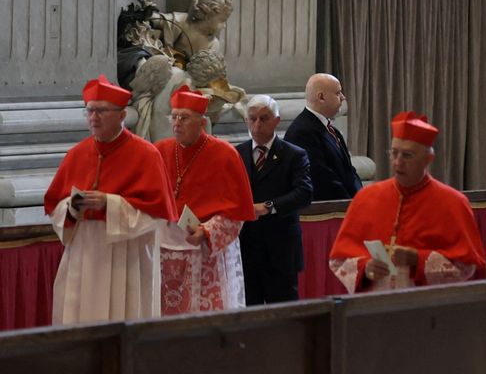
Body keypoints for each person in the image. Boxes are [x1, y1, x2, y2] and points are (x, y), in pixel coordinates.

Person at [43, 78, 175, 323]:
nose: (93, 117)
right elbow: (55, 206)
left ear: (122, 114)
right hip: (84, 249)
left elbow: (156, 213)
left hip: (126, 253)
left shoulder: (146, 155)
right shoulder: (77, 154)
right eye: (90, 110)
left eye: (101, 111)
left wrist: (110, 204)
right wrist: (71, 209)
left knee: (123, 315)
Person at [329, 112, 486, 292]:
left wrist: (417, 259)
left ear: (428, 159)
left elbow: (467, 267)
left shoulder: (453, 202)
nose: (398, 162)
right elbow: (338, 260)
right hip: (374, 306)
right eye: (394, 153)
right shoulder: (366, 198)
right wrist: (366, 267)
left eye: (407, 155)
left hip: (427, 307)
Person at [154, 87, 257, 314]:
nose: (177, 123)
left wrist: (208, 231)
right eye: (174, 117)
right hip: (164, 253)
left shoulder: (224, 154)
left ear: (202, 123)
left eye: (184, 117)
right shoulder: (159, 151)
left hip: (203, 254)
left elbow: (236, 214)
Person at [237, 94, 312, 306]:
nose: (257, 125)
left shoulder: (294, 154)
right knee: (248, 310)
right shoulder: (236, 154)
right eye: (252, 118)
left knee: (284, 311)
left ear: (277, 121)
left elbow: (304, 193)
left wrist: (268, 207)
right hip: (247, 247)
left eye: (264, 118)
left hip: (281, 250)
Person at [285, 72, 362, 200]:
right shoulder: (302, 132)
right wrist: (349, 203)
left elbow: (349, 171)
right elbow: (321, 179)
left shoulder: (332, 130)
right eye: (338, 93)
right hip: (327, 212)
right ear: (321, 97)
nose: (343, 97)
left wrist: (360, 198)